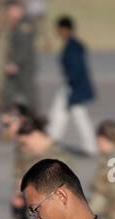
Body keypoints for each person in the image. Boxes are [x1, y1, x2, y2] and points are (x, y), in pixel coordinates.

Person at [47, 16, 95, 156]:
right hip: (72, 86)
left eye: (58, 29)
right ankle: (51, 141)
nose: (57, 32)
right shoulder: (73, 45)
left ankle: (51, 142)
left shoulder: (72, 47)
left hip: (73, 87)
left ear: (64, 29)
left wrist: (72, 89)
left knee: (72, 115)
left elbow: (76, 70)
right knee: (62, 114)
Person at [1, 0, 37, 112]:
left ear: (17, 9)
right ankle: (7, 122)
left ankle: (35, 121)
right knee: (7, 95)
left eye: (10, 10)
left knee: (29, 95)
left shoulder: (25, 24)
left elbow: (24, 48)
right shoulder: (14, 23)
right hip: (14, 65)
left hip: (23, 66)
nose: (8, 13)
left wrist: (14, 63)